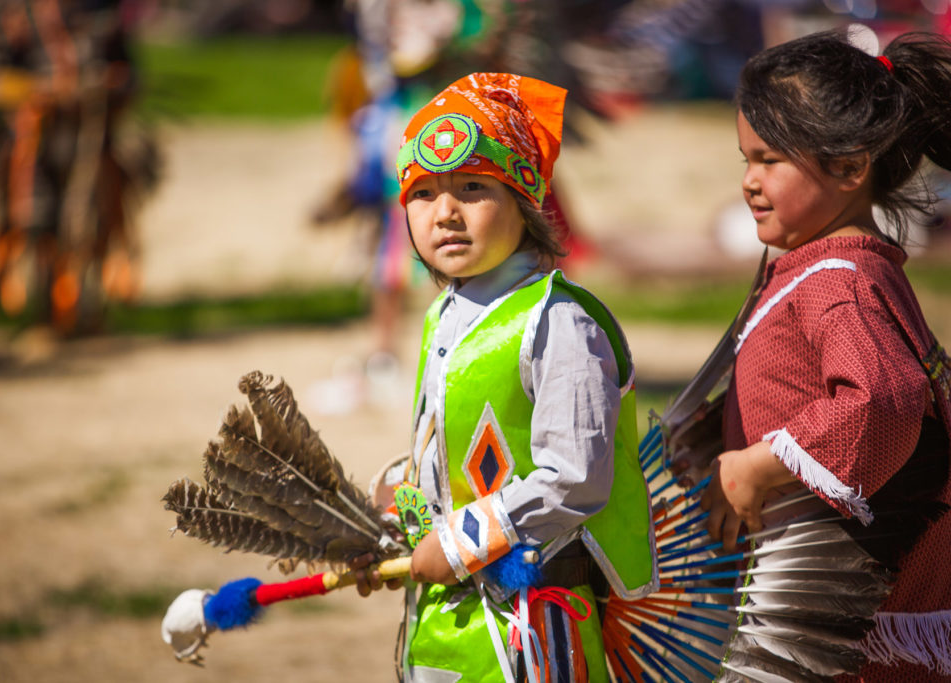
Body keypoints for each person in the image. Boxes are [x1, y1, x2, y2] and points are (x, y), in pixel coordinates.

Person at [352, 72, 657, 682]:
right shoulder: (443, 316)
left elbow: (575, 476)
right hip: (447, 620)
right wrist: (397, 519)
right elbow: (451, 457)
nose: (445, 213)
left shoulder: (559, 321)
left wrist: (460, 541)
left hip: (535, 629)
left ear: (525, 201)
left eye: (472, 187)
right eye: (422, 193)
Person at [698, 30, 951, 681]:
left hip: (860, 633)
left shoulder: (840, 281)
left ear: (848, 167)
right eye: (746, 159)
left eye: (771, 160)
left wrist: (759, 465)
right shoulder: (828, 269)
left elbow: (884, 400)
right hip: (840, 608)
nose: (749, 182)